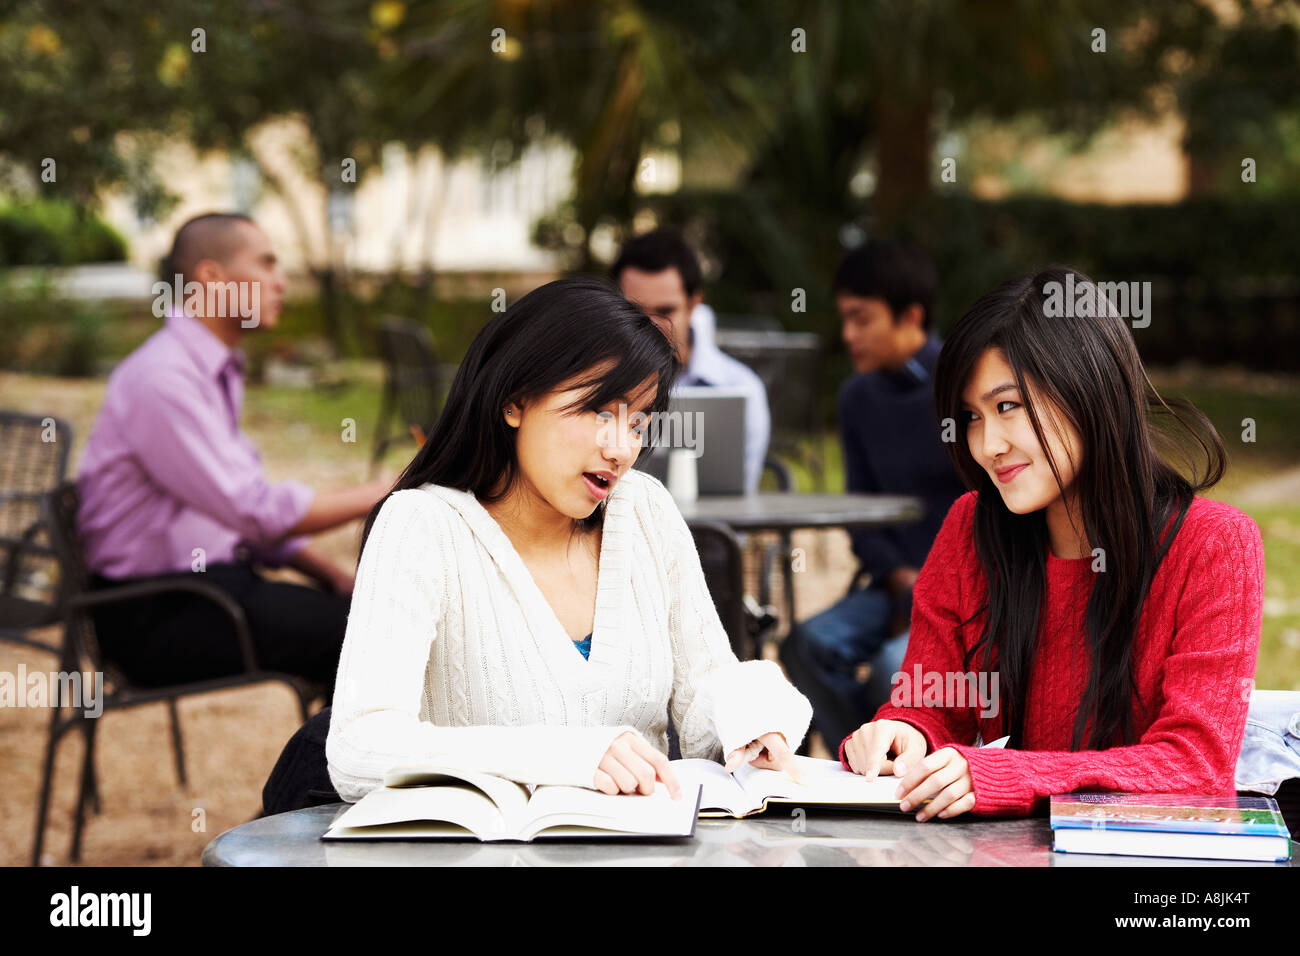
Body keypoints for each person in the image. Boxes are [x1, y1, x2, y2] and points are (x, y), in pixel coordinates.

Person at [324, 276, 812, 802]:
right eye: (601, 411)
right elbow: (359, 747)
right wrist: (565, 757)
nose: (621, 448)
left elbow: (706, 687)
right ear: (515, 401)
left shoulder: (644, 511)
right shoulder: (422, 527)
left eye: (638, 422)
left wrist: (754, 720)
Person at [839, 266, 1264, 822]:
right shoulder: (971, 528)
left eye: (1007, 406)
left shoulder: (1215, 546)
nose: (988, 445)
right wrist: (904, 731)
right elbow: (934, 706)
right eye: (970, 417)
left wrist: (1011, 775)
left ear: (1086, 389)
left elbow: (1196, 768)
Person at [77, 212, 390, 694]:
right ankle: (325, 768)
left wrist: (331, 574)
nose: (281, 283)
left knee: (370, 621)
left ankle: (343, 764)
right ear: (211, 277)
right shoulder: (164, 379)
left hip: (201, 588)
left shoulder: (209, 370)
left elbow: (239, 518)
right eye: (266, 264)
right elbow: (254, 510)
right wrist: (388, 490)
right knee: (367, 639)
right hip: (153, 613)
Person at [780, 240, 965, 752]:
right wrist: (901, 578)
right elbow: (861, 514)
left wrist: (932, 588)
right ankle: (862, 765)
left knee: (892, 668)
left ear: (911, 315)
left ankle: (889, 756)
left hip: (970, 591)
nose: (848, 335)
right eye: (844, 319)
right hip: (893, 584)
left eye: (861, 319)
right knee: (807, 645)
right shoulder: (857, 397)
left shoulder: (965, 385)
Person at [611, 229, 770, 492]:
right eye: (635, 312)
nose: (650, 325)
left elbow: (741, 497)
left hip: (709, 532)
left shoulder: (743, 388)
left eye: (664, 311)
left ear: (694, 304)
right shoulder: (593, 381)